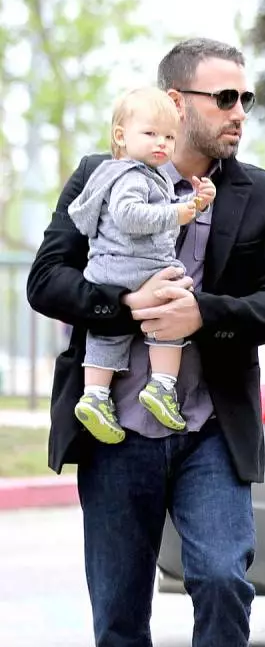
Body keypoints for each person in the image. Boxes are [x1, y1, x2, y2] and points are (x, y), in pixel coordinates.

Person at [26, 38, 265, 647]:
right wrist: (130, 307)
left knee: (222, 580)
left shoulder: (262, 195)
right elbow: (47, 280)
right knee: (119, 610)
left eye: (246, 99)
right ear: (176, 103)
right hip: (116, 431)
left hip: (211, 428)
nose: (239, 114)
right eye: (225, 98)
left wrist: (200, 313)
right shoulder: (99, 175)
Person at [67, 87, 217, 442]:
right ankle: (163, 385)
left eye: (169, 136)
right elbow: (130, 215)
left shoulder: (118, 173)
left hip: (108, 270)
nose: (161, 143)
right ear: (121, 136)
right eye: (150, 134)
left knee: (106, 332)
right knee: (176, 295)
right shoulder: (132, 175)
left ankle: (95, 395)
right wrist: (181, 212)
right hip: (136, 266)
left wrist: (196, 201)